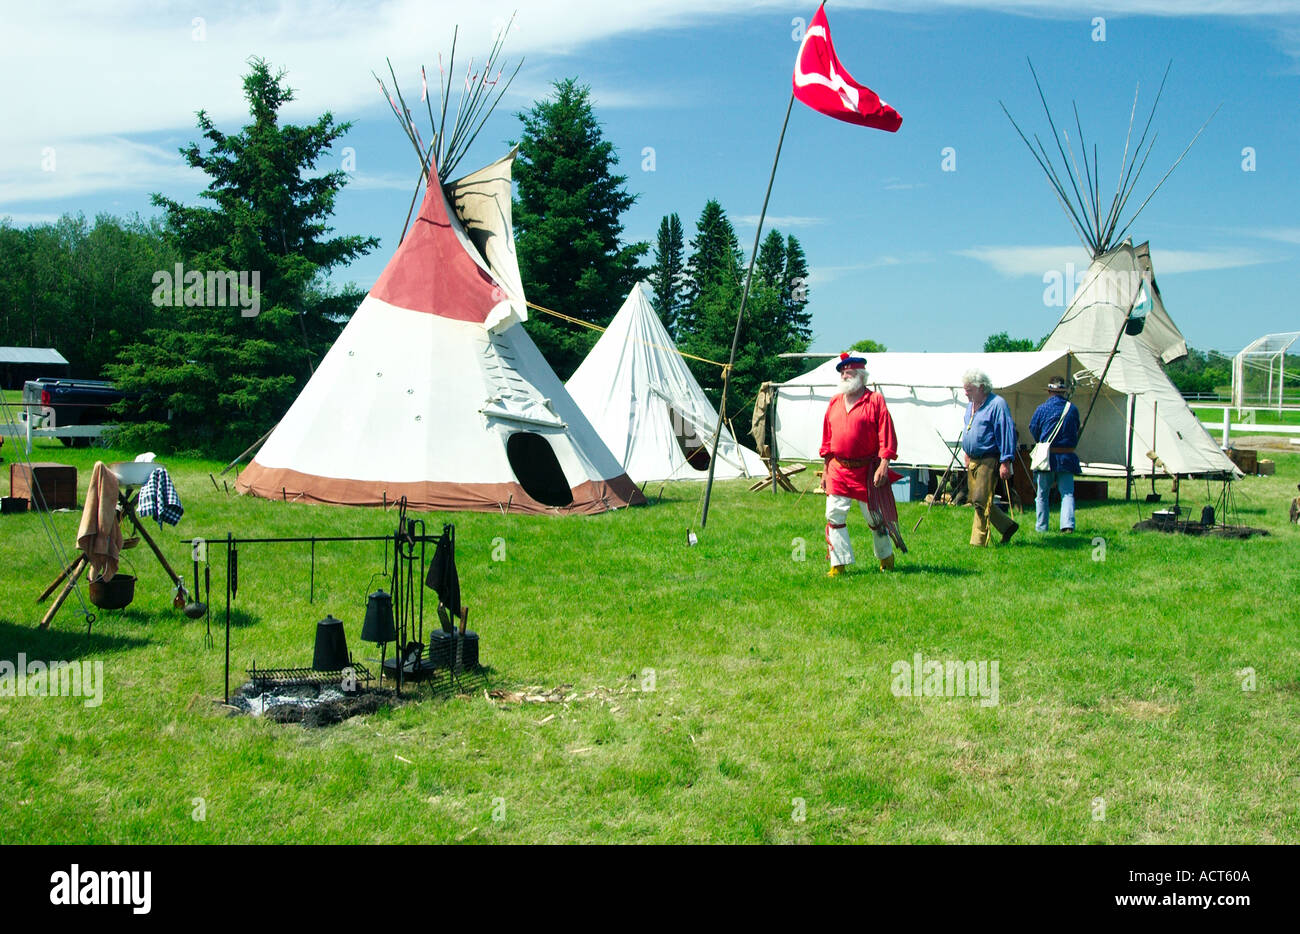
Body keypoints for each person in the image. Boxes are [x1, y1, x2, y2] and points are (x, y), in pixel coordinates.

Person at [820, 353, 906, 576]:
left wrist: (884, 464)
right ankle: (838, 564)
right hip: (838, 468)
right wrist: (826, 471)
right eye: (842, 373)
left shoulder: (875, 400)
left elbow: (886, 434)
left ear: (860, 376)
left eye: (848, 373)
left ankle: (886, 557)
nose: (844, 376)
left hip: (867, 470)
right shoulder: (835, 402)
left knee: (875, 518)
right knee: (834, 515)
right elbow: (827, 439)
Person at [959, 368, 1019, 546]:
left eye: (969, 389)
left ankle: (978, 542)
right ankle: (1007, 526)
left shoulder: (997, 404)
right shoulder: (971, 405)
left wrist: (1005, 461)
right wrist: (967, 452)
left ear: (981, 387)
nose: (965, 393)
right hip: (973, 458)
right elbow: (969, 429)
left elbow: (1006, 432)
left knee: (980, 499)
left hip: (989, 457)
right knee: (977, 499)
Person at [1028, 376, 1081, 533]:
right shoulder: (1072, 409)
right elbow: (1076, 429)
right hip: (1066, 457)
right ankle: (1067, 525)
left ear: (1049, 391)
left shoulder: (1042, 409)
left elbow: (1033, 428)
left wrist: (1043, 442)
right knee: (1067, 493)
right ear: (1063, 392)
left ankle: (1041, 527)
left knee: (1042, 495)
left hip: (1046, 458)